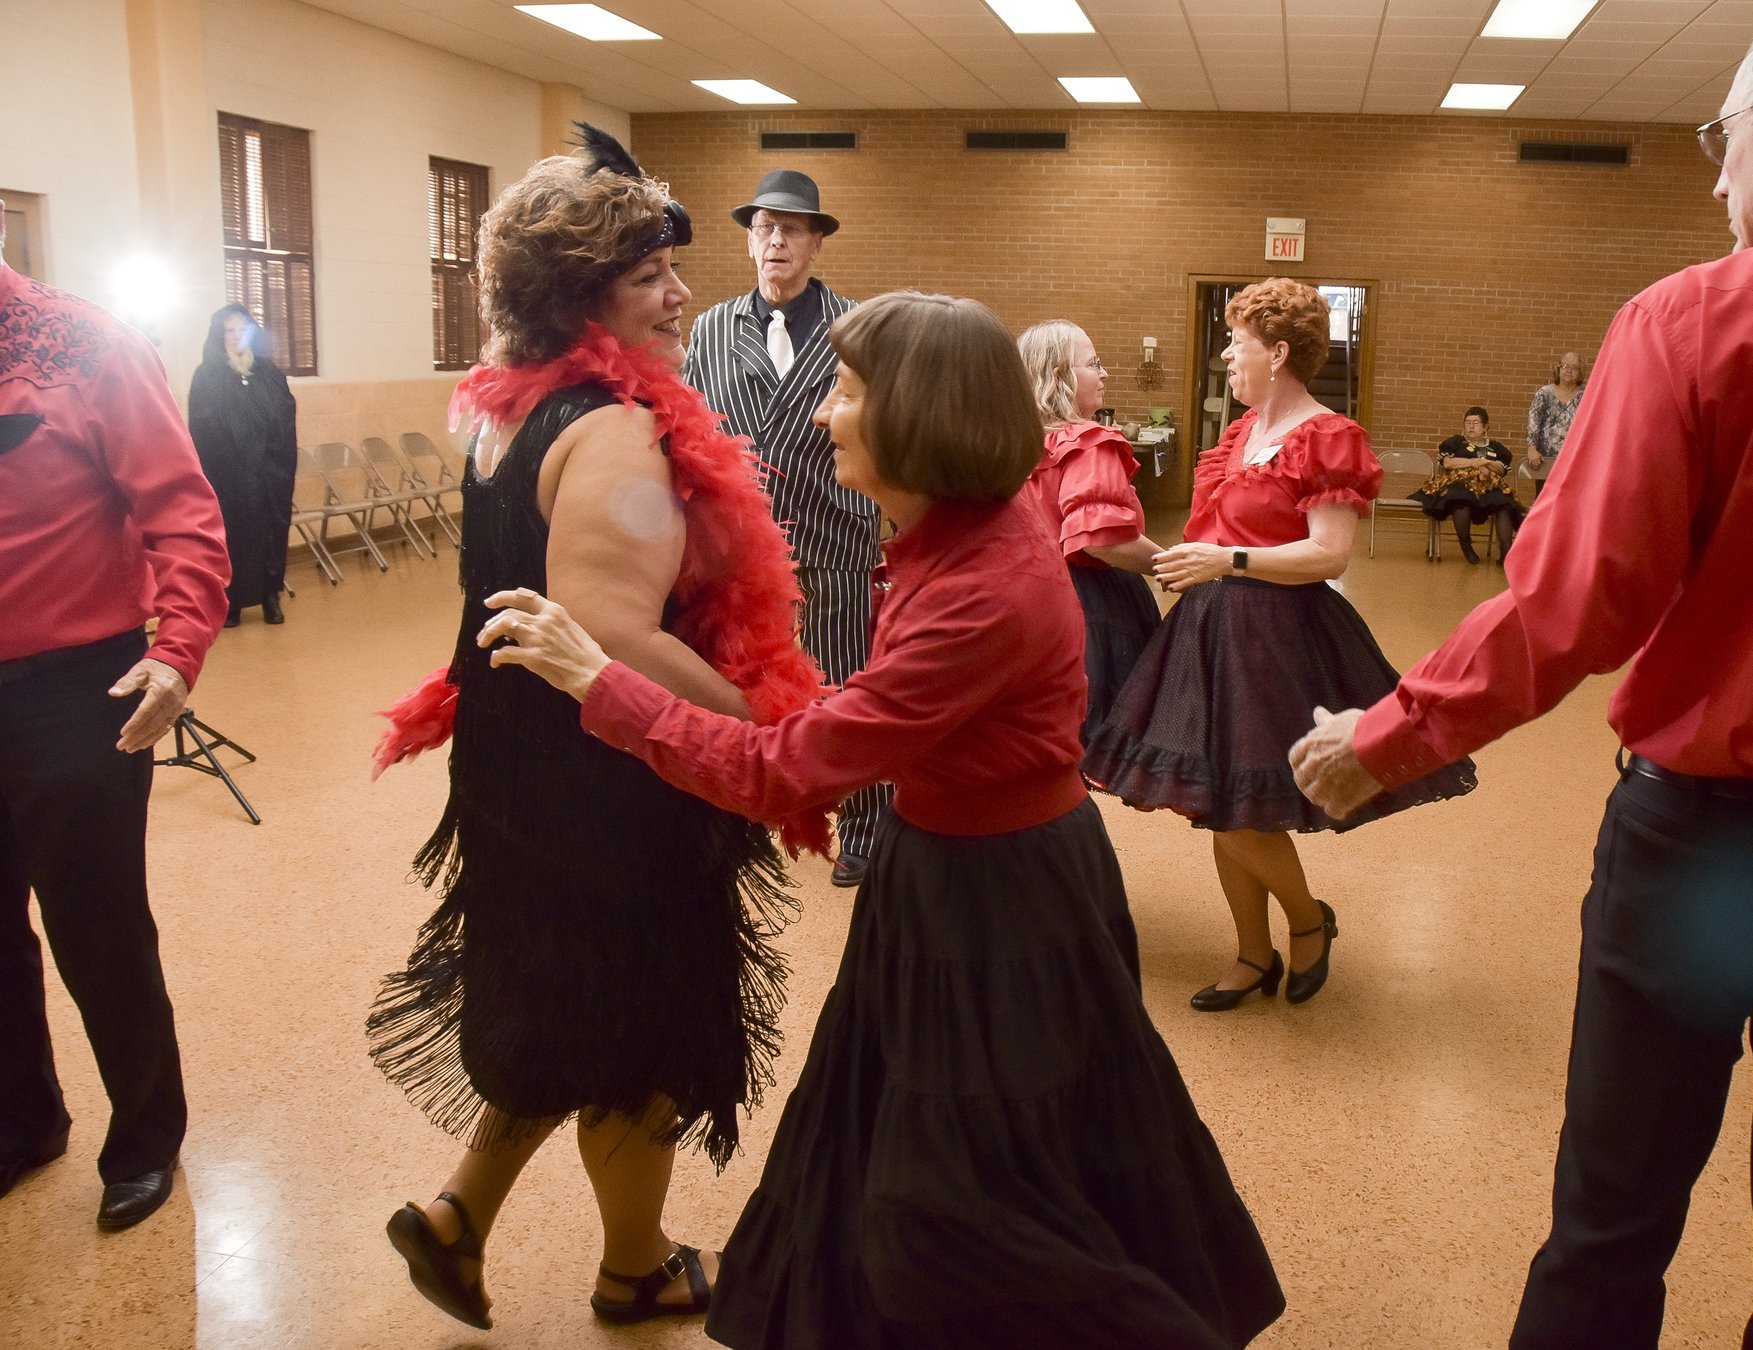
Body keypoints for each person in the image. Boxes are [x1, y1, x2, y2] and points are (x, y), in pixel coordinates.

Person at [1290, 4, 1753, 1345]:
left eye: (1719, 136)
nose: (1716, 177)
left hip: (1702, 849)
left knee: (1611, 1223)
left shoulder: (1695, 316)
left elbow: (1572, 597)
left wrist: (1388, 737)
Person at [483, 290, 1286, 1349]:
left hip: (998, 901)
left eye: (848, 392)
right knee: (922, 1145)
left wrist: (603, 682)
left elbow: (786, 772)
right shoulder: (954, 534)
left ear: (920, 415)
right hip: (955, 870)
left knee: (967, 1191)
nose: (823, 414)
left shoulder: (982, 588)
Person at [366, 126, 824, 1331]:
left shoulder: (505, 413)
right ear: (579, 300)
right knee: (641, 1031)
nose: (680, 296)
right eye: (649, 279)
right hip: (606, 780)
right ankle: (634, 1269)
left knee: (565, 1005)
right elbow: (612, 632)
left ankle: (458, 1219)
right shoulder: (615, 429)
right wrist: (767, 727)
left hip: (516, 762)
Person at [1084, 278, 1475, 1012]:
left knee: (1241, 806)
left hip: (1273, 635)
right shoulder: (1238, 436)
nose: (1227, 356)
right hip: (1209, 629)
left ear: (1280, 352)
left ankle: (1307, 921)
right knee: (1218, 800)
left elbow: (1328, 554)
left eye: (1238, 343)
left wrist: (1226, 560)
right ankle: (1252, 953)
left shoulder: (1328, 435)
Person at [0, 212, 230, 1230]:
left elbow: (185, 515)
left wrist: (177, 653)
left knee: (95, 924)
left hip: (74, 689)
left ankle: (144, 1136)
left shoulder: (87, 345)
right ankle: (22, 1121)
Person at [685, 168, 889, 890]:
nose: (776, 240)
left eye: (792, 229)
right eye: (764, 227)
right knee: (739, 686)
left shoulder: (856, 327)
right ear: (749, 239)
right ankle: (738, 817)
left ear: (816, 243)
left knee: (844, 688)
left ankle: (864, 827)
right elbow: (692, 428)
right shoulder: (711, 328)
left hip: (834, 533)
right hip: (739, 548)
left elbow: (884, 429)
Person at [1016, 320, 1161, 743]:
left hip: (1024, 600)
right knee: (1095, 739)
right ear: (1059, 375)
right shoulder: (1090, 442)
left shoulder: (1013, 445)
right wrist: (1175, 565)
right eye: (1094, 363)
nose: (1105, 373)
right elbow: (1104, 541)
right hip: (1088, 607)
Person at [187, 303, 296, 626]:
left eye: (242, 330)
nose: (236, 336)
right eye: (229, 331)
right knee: (231, 535)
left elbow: (284, 419)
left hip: (268, 473)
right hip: (228, 476)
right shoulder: (207, 376)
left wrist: (268, 455)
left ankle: (270, 596)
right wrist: (232, 458)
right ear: (220, 336)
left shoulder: (269, 373)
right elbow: (204, 427)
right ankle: (231, 601)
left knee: (270, 532)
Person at [1410, 406, 1524, 564]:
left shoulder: (1496, 448)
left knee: (1505, 503)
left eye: (1475, 423)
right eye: (1468, 422)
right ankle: (1466, 544)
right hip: (1460, 483)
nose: (1471, 426)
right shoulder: (1456, 442)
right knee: (1460, 498)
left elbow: (1501, 470)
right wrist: (1473, 462)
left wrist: (1485, 462)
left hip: (1489, 485)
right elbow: (1448, 463)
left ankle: (1506, 550)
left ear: (1485, 427)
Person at [1524, 351, 1585, 491]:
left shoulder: (1587, 395)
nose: (1569, 370)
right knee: (1546, 499)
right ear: (1558, 369)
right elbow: (1533, 421)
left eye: (1574, 367)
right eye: (1565, 366)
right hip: (1545, 461)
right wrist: (1532, 448)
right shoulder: (1544, 393)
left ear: (1580, 372)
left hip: (1576, 461)